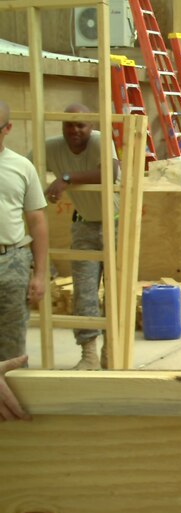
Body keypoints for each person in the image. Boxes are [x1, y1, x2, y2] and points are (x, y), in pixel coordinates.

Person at [42, 103, 119, 370]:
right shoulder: (52, 147)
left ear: (91, 126)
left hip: (116, 225)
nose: (74, 130)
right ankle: (89, 355)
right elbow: (26, 168)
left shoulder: (99, 141)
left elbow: (110, 173)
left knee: (115, 293)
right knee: (84, 293)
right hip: (84, 225)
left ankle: (112, 351)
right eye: (68, 124)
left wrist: (66, 178)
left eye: (80, 125)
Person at [0, 100, 49, 366]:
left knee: (12, 347)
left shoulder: (21, 167)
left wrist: (39, 275)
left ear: (7, 128)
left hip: (12, 262)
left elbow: (37, 222)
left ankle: (12, 391)